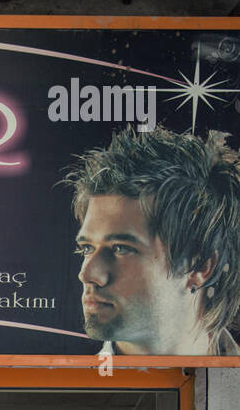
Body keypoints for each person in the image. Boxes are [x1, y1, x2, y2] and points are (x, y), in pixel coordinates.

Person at [65, 126, 240, 356]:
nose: (87, 274)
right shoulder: (69, 390)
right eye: (87, 248)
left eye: (120, 248)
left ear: (200, 266)